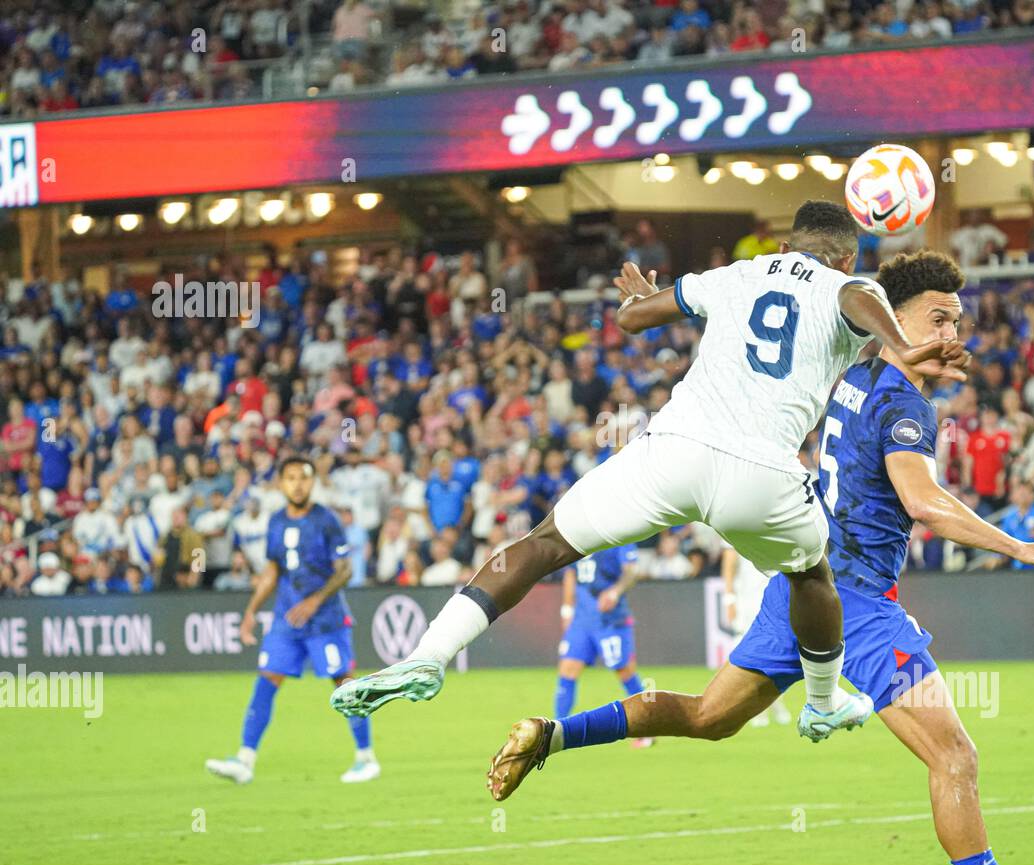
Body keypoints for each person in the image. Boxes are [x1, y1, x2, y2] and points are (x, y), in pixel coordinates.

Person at [483, 251, 1034, 865]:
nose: (950, 337)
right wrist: (1020, 544)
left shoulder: (853, 373)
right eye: (937, 320)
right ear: (893, 320)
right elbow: (922, 501)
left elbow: (773, 343)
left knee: (708, 717)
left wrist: (667, 305)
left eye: (955, 323)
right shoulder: (905, 407)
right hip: (858, 608)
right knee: (955, 758)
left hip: (801, 590)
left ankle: (551, 734)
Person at [332, 201, 969, 746]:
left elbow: (633, 318)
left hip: (673, 451)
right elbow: (857, 302)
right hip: (761, 475)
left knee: (544, 543)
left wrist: (641, 298)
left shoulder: (735, 274)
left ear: (782, 246)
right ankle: (825, 700)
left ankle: (429, 654)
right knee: (812, 575)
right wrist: (904, 341)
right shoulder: (850, 289)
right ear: (846, 258)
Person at [205, 458, 379, 786]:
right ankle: (244, 760)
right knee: (266, 680)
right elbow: (273, 571)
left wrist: (315, 600)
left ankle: (366, 758)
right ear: (281, 484)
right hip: (287, 619)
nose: (298, 484)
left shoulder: (326, 520)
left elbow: (345, 569)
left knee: (344, 685)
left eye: (304, 478)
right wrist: (251, 609)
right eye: (291, 478)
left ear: (312, 483)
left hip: (326, 619)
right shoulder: (275, 522)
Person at [556, 544, 653, 749]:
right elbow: (570, 575)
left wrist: (615, 592)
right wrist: (566, 610)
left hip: (611, 622)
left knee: (624, 671)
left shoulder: (619, 538)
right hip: (582, 621)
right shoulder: (579, 538)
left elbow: (631, 571)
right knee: (567, 669)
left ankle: (648, 727)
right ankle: (558, 731)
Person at [720, 542, 791, 727]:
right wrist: (729, 599)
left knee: (773, 656)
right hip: (747, 602)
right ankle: (760, 709)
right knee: (748, 656)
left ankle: (770, 705)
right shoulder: (732, 522)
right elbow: (729, 562)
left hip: (773, 597)